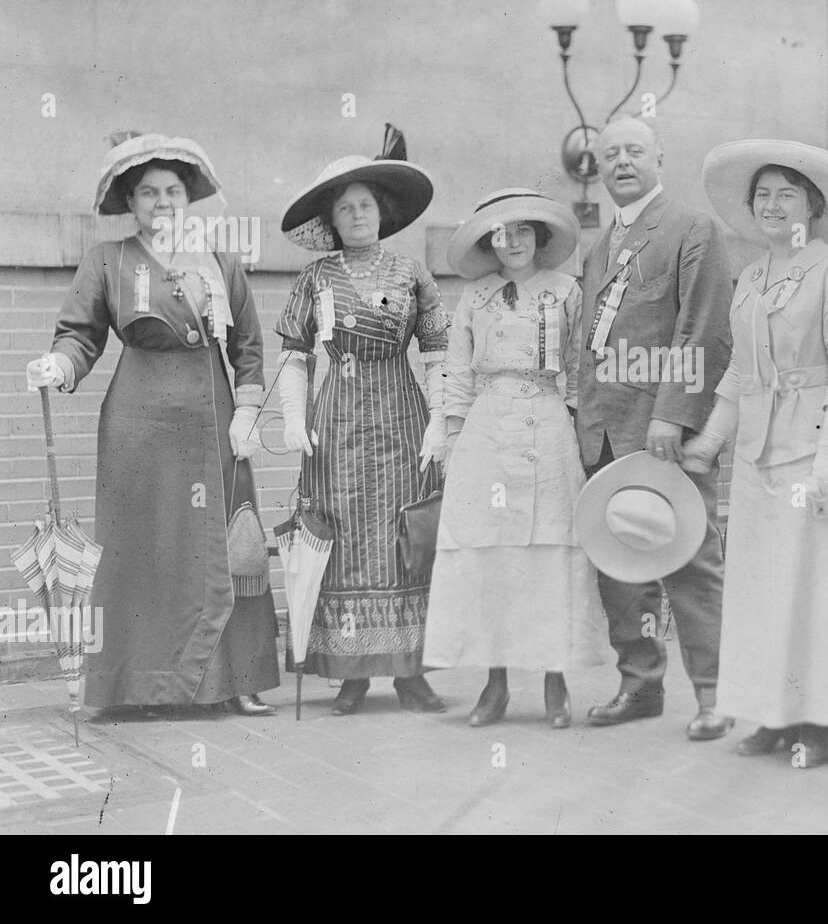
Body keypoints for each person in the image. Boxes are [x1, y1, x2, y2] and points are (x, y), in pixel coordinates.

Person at [27, 132, 279, 717]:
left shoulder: (220, 261)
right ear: (131, 201)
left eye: (172, 191)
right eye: (148, 192)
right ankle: (136, 685)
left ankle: (235, 678)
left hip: (213, 416)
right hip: (138, 420)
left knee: (224, 541)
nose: (162, 202)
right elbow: (79, 334)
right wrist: (59, 363)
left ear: (188, 198)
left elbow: (247, 343)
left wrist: (247, 412)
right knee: (144, 545)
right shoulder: (108, 260)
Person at [683, 141, 828, 768]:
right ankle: (769, 712)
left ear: (812, 207)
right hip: (757, 454)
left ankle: (816, 722)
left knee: (812, 589)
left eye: (785, 194)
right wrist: (708, 443)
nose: (770, 205)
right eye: (761, 195)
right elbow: (741, 369)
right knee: (760, 589)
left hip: (812, 452)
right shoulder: (753, 278)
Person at [275, 132, 450, 715]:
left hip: (402, 413)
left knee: (405, 537)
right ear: (333, 218)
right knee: (343, 534)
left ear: (383, 213)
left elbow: (439, 353)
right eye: (345, 207)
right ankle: (350, 674)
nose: (356, 215)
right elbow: (295, 355)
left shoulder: (411, 272)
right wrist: (294, 418)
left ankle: (410, 673)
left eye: (365, 206)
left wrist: (439, 422)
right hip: (338, 420)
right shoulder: (315, 278)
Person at [574, 115, 735, 740]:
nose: (621, 162)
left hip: (664, 429)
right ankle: (639, 685)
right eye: (609, 153)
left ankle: (714, 695)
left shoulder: (690, 228)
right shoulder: (601, 243)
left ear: (660, 157)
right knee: (620, 564)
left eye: (634, 151)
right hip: (604, 431)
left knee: (690, 562)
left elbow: (703, 327)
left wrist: (673, 413)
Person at [423, 189, 606, 728]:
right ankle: (495, 685)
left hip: (548, 425)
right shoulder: (474, 296)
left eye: (525, 230)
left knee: (551, 555)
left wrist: (575, 428)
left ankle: (556, 682)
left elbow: (579, 367)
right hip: (487, 428)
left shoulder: (566, 292)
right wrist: (451, 438)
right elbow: (457, 372)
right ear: (490, 242)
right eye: (503, 233)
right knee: (492, 556)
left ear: (541, 238)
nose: (514, 241)